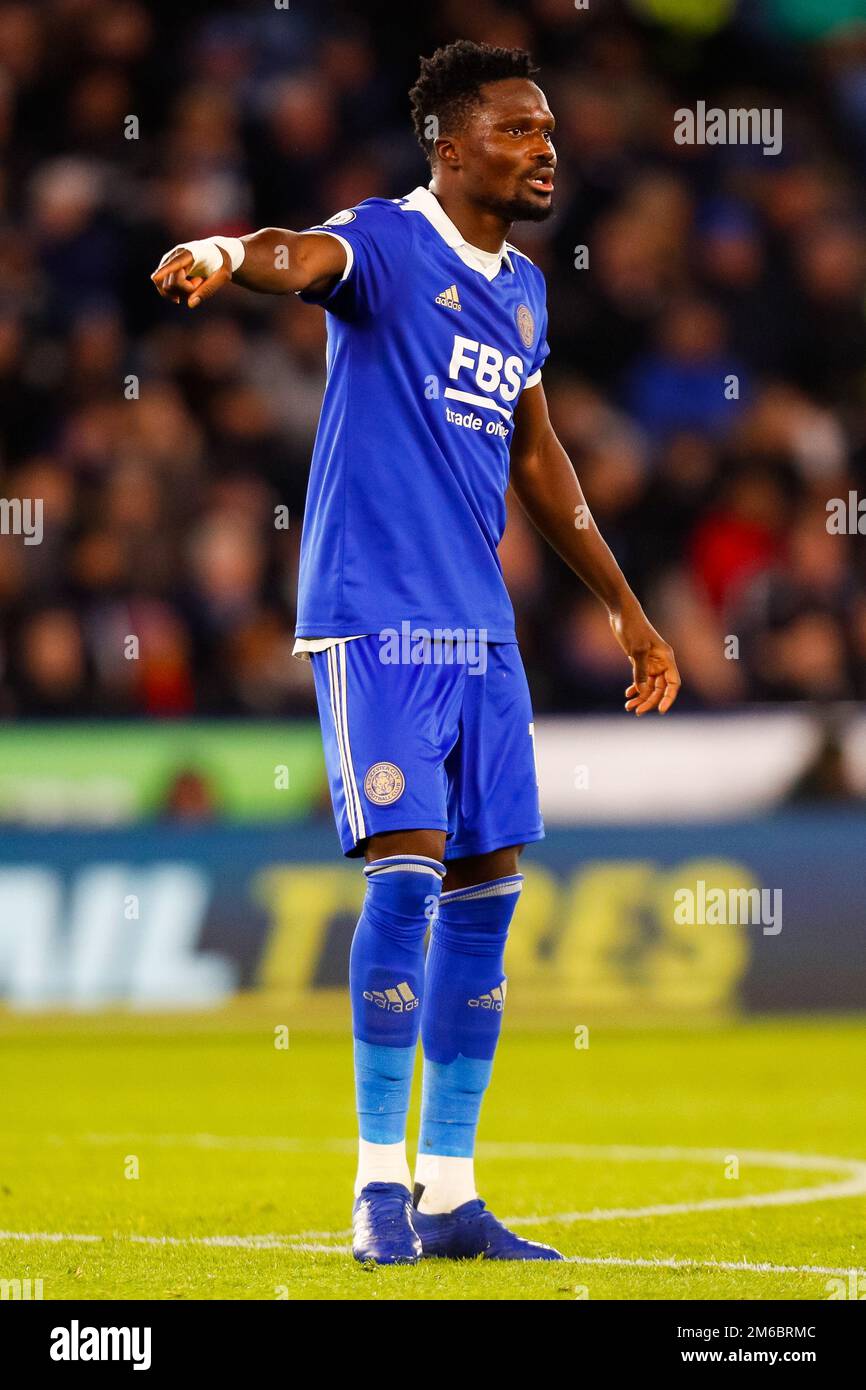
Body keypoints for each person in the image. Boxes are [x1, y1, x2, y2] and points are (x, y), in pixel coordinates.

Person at [151, 39, 681, 1267]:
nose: (542, 148)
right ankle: (374, 1187)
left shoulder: (524, 291)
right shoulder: (389, 241)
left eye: (547, 130)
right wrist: (230, 256)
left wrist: (624, 605)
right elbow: (302, 255)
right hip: (375, 614)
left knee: (486, 895)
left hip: (481, 630)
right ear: (449, 144)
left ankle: (448, 1190)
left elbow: (538, 461)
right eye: (515, 129)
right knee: (403, 877)